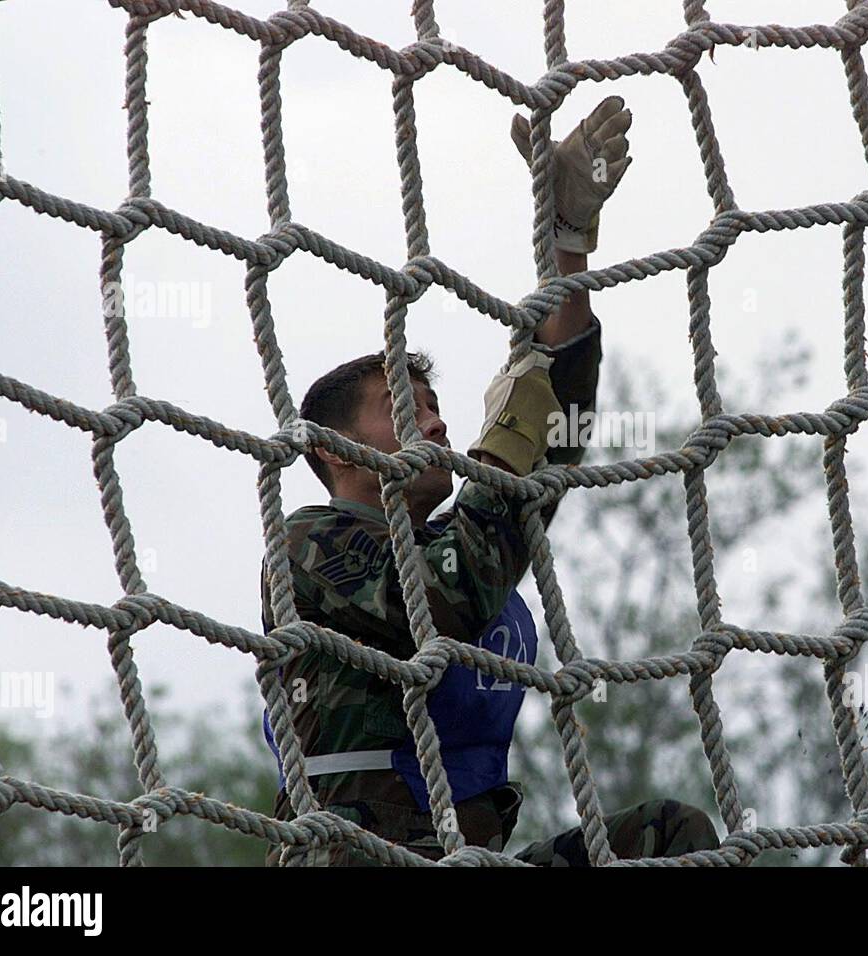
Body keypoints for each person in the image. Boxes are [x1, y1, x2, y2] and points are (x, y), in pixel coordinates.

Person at [260, 97, 720, 866]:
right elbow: (437, 603)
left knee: (669, 840)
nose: (436, 428)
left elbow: (555, 431)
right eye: (405, 410)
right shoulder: (309, 543)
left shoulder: (473, 527)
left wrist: (567, 245)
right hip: (355, 855)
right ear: (339, 450)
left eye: (440, 411)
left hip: (470, 856)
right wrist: (504, 445)